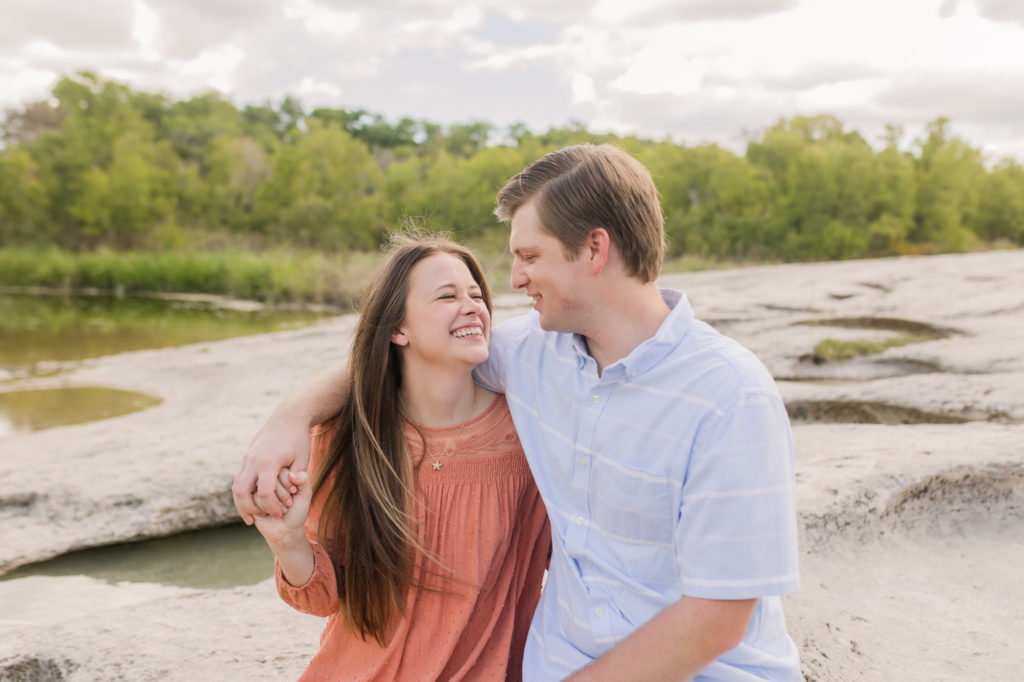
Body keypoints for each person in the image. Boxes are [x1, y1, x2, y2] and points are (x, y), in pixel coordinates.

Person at [235, 144, 801, 681]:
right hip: (555, 662)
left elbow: (717, 619)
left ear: (596, 249)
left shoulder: (730, 397)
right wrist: (294, 414)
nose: (510, 281)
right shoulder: (532, 351)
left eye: (530, 256)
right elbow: (400, 358)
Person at [248, 233, 551, 681]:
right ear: (397, 329)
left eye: (476, 295)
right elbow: (325, 600)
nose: (472, 307)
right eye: (447, 296)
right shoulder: (348, 437)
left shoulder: (529, 434)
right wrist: (287, 541)